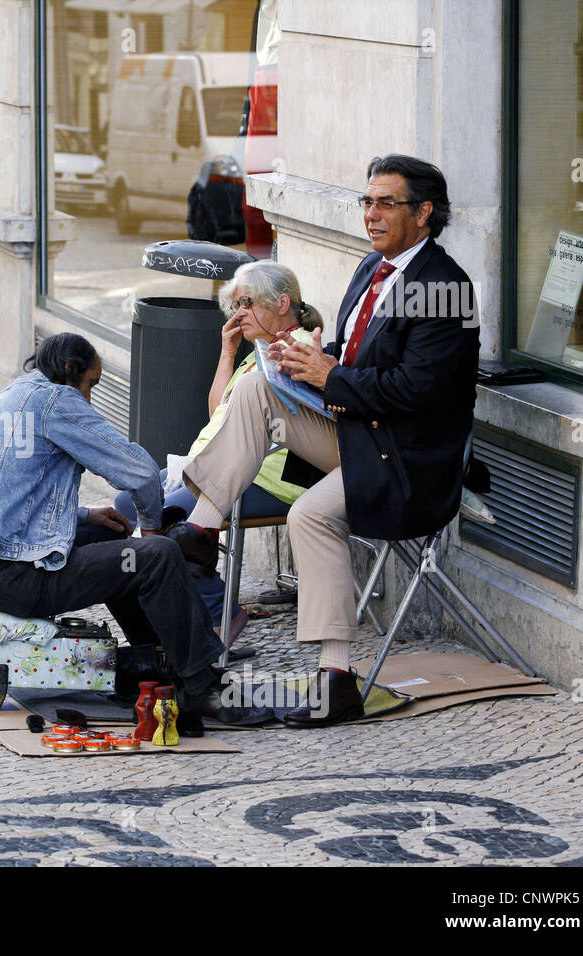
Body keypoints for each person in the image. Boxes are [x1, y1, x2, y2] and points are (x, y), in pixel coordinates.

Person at [181, 154, 479, 727]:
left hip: (410, 461)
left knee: (311, 514)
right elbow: (357, 359)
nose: (371, 214)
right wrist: (308, 361)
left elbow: (417, 390)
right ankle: (201, 530)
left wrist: (329, 374)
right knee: (258, 390)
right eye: (366, 201)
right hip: (359, 434)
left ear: (423, 212)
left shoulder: (447, 288)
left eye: (386, 203)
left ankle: (336, 681)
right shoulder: (371, 268)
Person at [0, 332, 272, 732]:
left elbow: (2, 502)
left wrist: (82, 516)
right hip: (16, 579)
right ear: (69, 372)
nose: (91, 399)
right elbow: (140, 472)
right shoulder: (55, 401)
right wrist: (151, 531)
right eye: (92, 385)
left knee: (114, 542)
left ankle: (161, 666)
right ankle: (203, 686)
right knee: (157, 556)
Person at [114, 260, 319, 645]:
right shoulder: (256, 351)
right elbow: (217, 415)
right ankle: (173, 608)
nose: (239, 314)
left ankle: (212, 612)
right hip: (208, 464)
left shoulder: (298, 347)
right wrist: (227, 352)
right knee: (128, 501)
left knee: (167, 519)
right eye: (236, 305)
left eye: (247, 303)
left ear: (281, 303)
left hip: (262, 476)